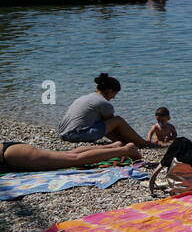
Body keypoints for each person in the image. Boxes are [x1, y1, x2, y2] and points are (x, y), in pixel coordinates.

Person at [57, 73, 156, 147]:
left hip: (63, 134)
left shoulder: (84, 97)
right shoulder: (103, 102)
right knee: (118, 120)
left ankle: (131, 142)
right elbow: (114, 127)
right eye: (115, 94)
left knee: (106, 122)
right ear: (109, 91)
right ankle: (145, 143)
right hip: (76, 135)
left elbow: (106, 128)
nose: (113, 98)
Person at [1, 139, 140, 172]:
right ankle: (112, 146)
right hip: (13, 151)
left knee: (73, 159)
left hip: (13, 157)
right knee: (68, 155)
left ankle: (126, 150)